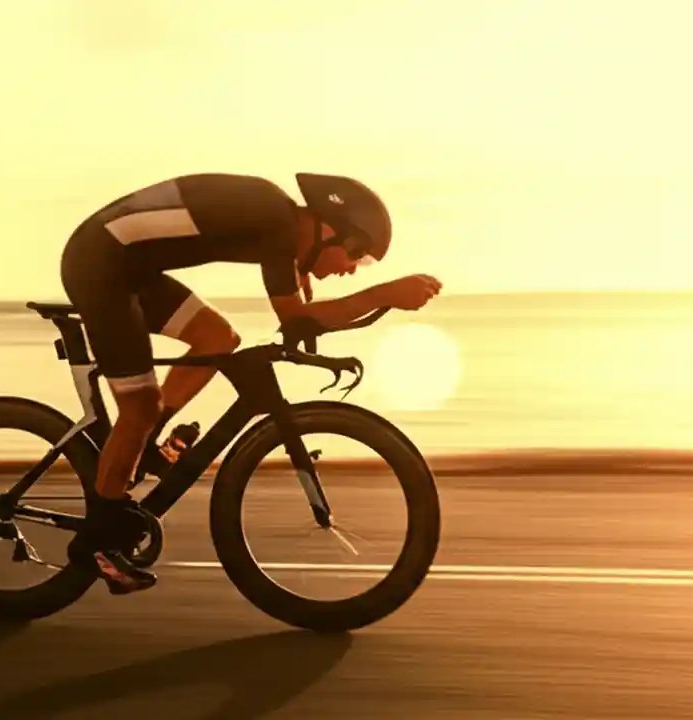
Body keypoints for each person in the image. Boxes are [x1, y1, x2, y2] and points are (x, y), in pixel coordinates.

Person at [59, 172, 442, 594]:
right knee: (139, 406)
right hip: (100, 267)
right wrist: (382, 295)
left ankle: (144, 443)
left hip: (129, 266)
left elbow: (302, 311)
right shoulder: (275, 223)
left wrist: (324, 295)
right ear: (328, 231)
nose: (352, 270)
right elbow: (294, 318)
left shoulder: (275, 224)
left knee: (218, 339)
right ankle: (97, 540)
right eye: (357, 254)